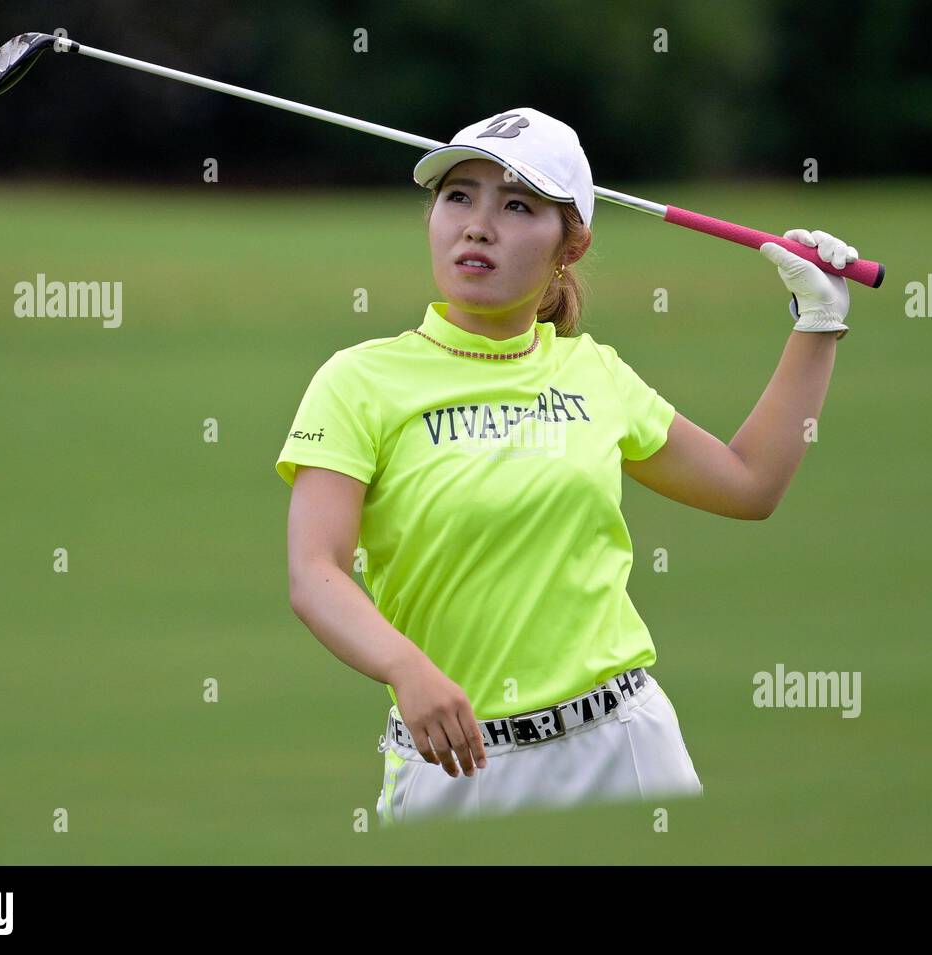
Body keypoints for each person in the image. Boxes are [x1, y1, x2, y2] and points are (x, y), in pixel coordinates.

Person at [275, 107, 859, 825]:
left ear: (569, 244)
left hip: (626, 750)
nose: (478, 225)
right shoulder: (357, 380)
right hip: (458, 768)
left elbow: (749, 483)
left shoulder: (594, 373)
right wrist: (405, 666)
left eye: (517, 205)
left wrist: (818, 321)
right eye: (458, 196)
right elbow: (316, 571)